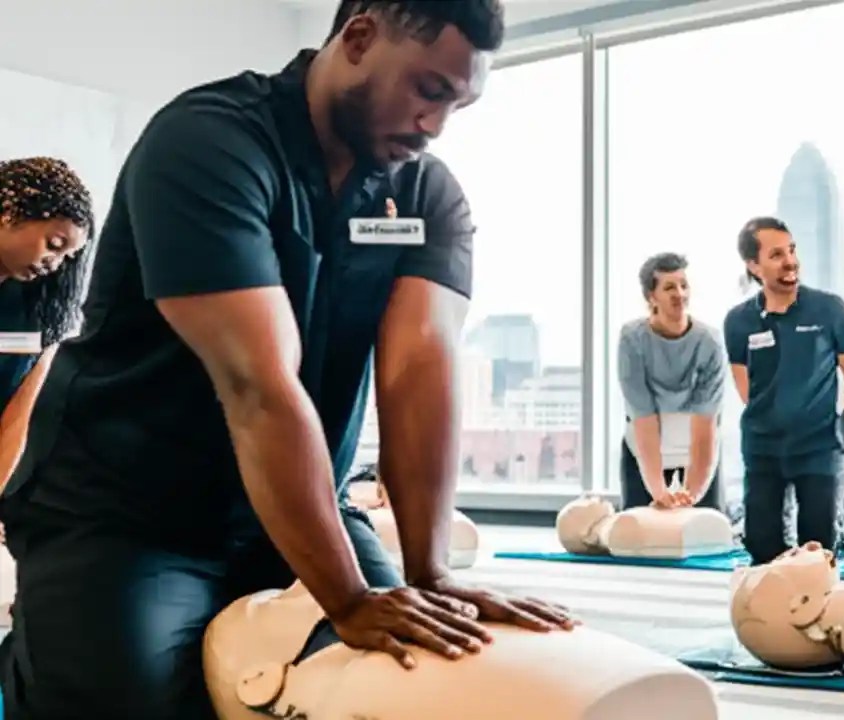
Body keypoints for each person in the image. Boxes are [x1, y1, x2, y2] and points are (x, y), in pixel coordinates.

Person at [0, 3, 573, 718]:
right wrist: (349, 598)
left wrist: (430, 572)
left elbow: (418, 373)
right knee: (135, 703)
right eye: (427, 90)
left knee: (422, 673)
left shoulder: (427, 194)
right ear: (359, 37)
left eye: (458, 104)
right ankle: (40, 652)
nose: (436, 126)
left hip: (300, 504)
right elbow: (257, 385)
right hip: (123, 512)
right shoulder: (208, 143)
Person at [723, 216, 844, 565]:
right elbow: (747, 389)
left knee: (818, 549)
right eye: (776, 255)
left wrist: (838, 428)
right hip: (763, 448)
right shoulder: (739, 321)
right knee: (760, 545)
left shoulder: (830, 310)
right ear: (753, 265)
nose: (790, 261)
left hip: (819, 447)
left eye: (791, 250)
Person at [0, 157, 94, 498]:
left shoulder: (36, 321)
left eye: (66, 257)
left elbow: (15, 422)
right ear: (9, 211)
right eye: (54, 245)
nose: (54, 263)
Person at [617, 252, 727, 511]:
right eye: (669, 287)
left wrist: (692, 494)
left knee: (706, 528)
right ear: (651, 296)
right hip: (645, 444)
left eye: (683, 285)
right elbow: (643, 419)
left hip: (696, 445)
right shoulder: (633, 340)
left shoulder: (709, 343)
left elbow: (705, 425)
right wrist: (658, 491)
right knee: (638, 529)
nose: (679, 293)